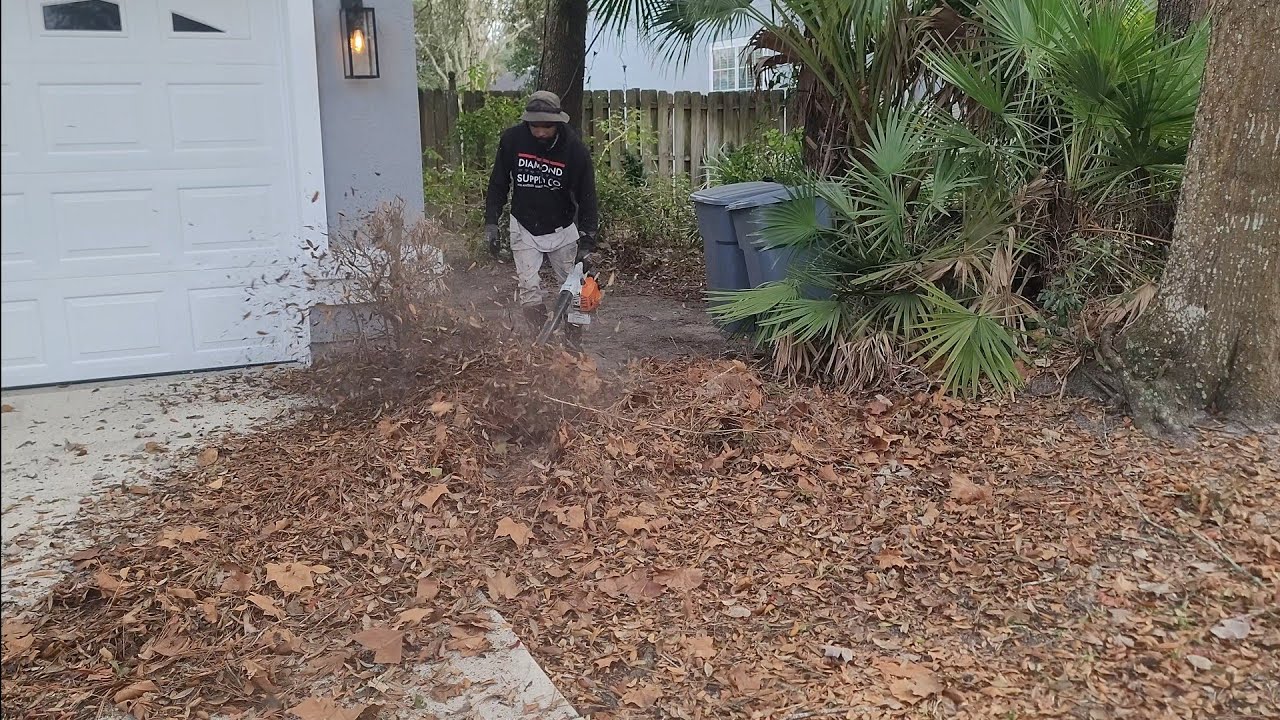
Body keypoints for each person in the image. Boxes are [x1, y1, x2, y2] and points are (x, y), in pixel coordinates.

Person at [484, 90, 599, 338]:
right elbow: (498, 184)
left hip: (562, 226)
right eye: (534, 126)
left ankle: (573, 342)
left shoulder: (575, 150)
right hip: (524, 224)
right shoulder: (513, 140)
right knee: (528, 287)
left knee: (575, 290)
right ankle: (541, 342)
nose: (540, 133)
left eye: (546, 127)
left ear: (557, 123)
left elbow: (587, 196)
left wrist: (588, 239)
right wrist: (491, 222)